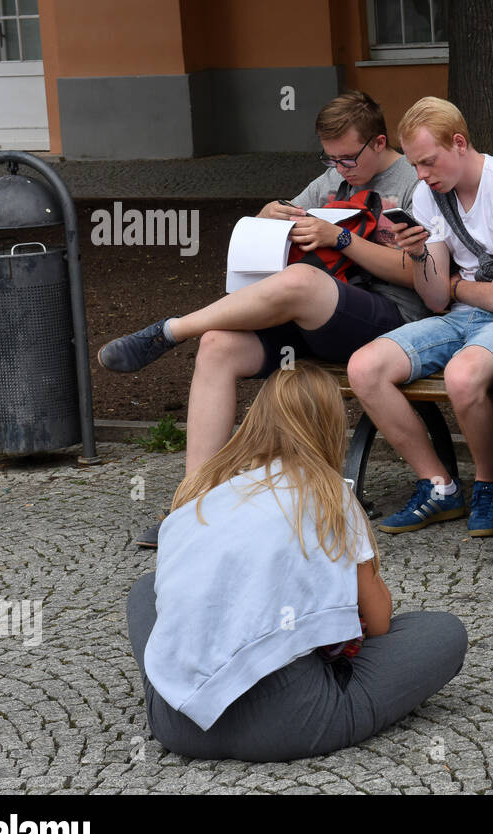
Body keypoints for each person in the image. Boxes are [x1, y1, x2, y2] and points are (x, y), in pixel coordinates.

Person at [97, 90, 428, 548]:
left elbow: (423, 276)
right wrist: (265, 217)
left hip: (390, 323)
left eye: (348, 158)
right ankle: (190, 507)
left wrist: (341, 239)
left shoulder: (415, 180)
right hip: (318, 320)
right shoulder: (332, 178)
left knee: (299, 282)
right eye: (329, 158)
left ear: (378, 143)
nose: (339, 169)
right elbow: (267, 241)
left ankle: (169, 331)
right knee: (217, 345)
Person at [125, 363, 467, 762]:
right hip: (294, 724)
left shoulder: (199, 499)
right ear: (329, 428)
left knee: (145, 590)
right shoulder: (329, 496)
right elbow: (378, 623)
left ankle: (192, 687)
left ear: (255, 420)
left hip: (176, 727)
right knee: (444, 631)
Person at [347, 97, 493, 538]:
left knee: (462, 376)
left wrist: (456, 286)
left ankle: (489, 486)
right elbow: (435, 299)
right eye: (415, 164)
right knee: (364, 368)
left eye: (428, 162)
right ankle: (440, 485)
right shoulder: (428, 195)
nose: (421, 174)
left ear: (459, 143)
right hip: (459, 315)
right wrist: (417, 254)